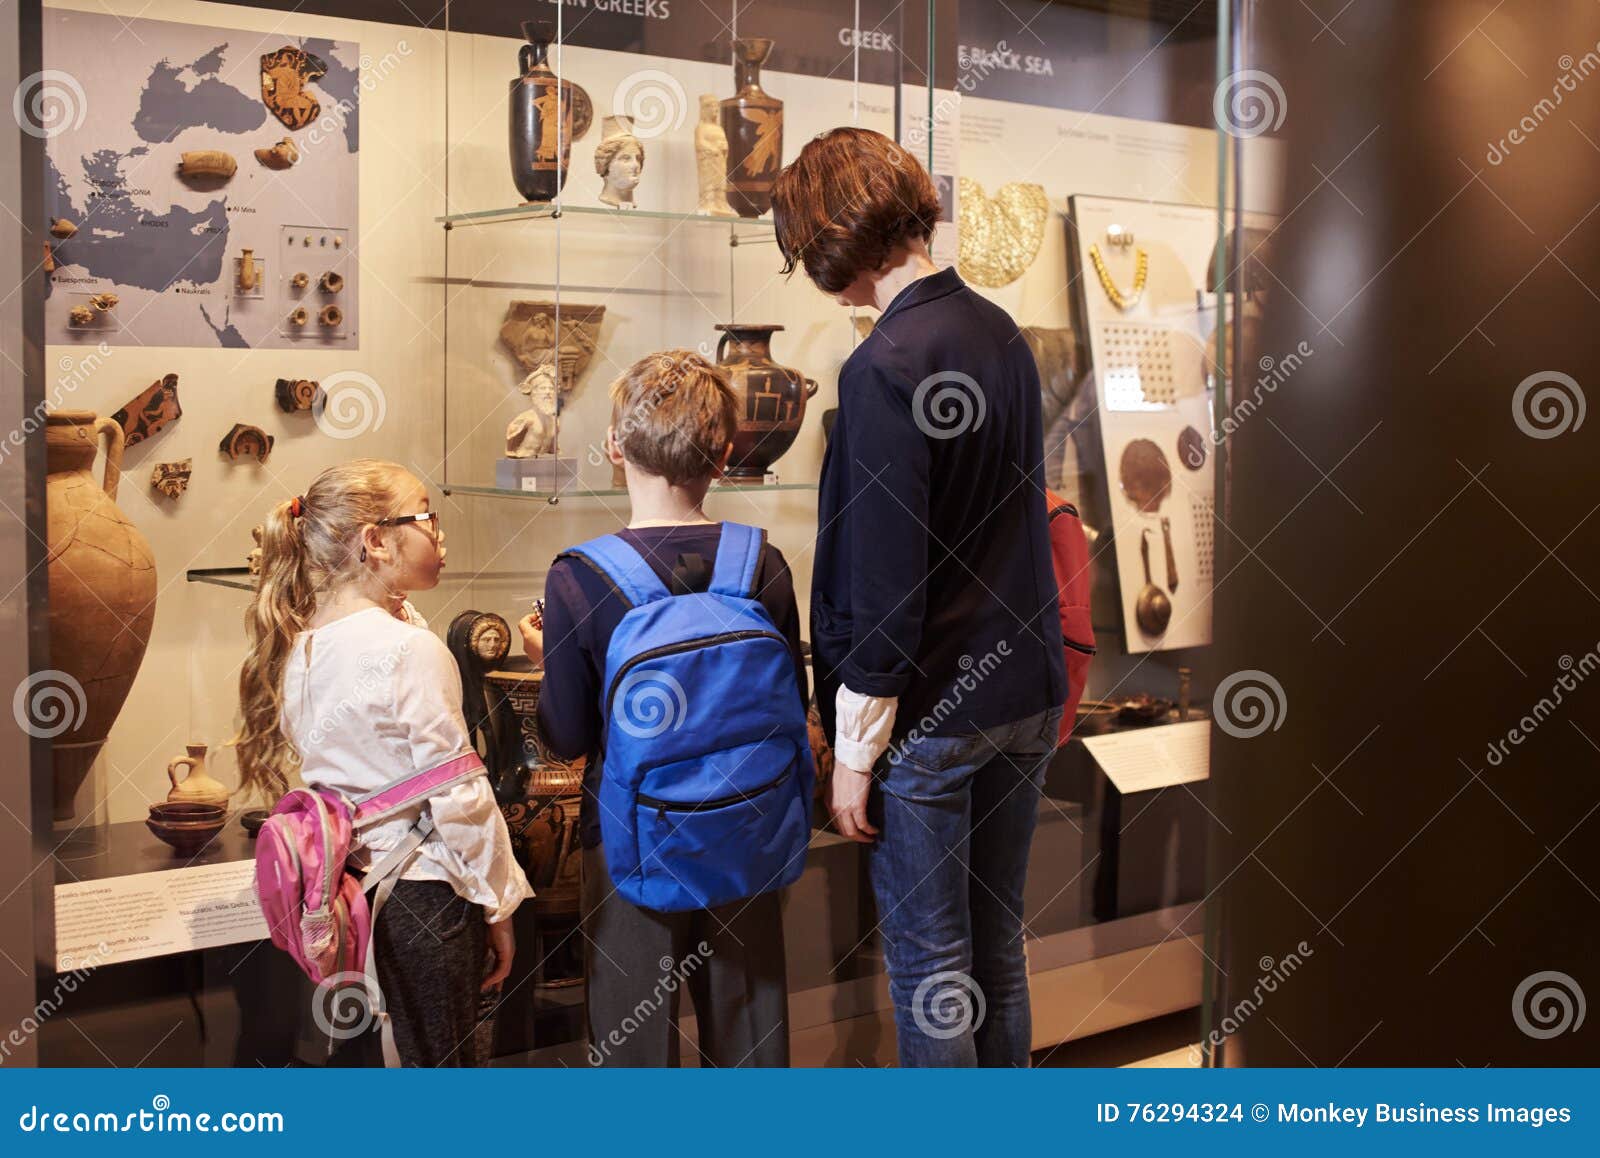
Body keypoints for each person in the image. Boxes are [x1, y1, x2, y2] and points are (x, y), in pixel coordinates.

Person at [771, 127, 1068, 1067]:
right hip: (1024, 691)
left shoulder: (883, 365)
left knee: (934, 963)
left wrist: (854, 751)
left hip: (932, 710)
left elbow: (887, 579)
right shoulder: (999, 331)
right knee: (998, 955)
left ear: (834, 234)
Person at [519, 351, 807, 1067]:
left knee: (633, 1050)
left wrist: (542, 662)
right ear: (727, 451)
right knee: (751, 1043)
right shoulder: (763, 562)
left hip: (630, 843)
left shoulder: (580, 578)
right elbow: (792, 707)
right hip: (750, 831)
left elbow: (567, 735)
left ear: (616, 447)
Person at [235, 460, 533, 1067]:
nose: (440, 535)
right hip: (427, 895)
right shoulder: (410, 650)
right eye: (428, 517)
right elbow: (461, 797)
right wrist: (499, 903)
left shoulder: (302, 644)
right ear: (374, 540)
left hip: (352, 892)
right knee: (439, 1065)